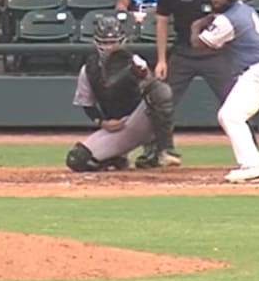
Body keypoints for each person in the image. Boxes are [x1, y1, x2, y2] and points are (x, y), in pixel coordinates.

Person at [192, 0, 259, 183]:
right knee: (231, 116)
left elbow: (199, 45)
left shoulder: (228, 20)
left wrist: (197, 25)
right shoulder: (244, 10)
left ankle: (253, 165)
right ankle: (253, 163)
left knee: (231, 116)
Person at [67, 17, 182, 172]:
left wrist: (143, 76)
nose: (109, 47)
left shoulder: (134, 62)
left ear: (122, 41)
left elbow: (157, 94)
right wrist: (103, 122)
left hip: (140, 120)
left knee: (160, 90)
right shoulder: (88, 69)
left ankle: (162, 149)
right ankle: (116, 157)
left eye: (113, 42)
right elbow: (87, 104)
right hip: (118, 126)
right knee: (78, 159)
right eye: (105, 42)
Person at [154, 0, 239, 137]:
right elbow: (162, 22)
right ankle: (159, 150)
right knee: (161, 103)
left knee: (234, 105)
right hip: (183, 51)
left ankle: (251, 154)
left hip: (215, 52)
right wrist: (161, 60)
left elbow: (233, 16)